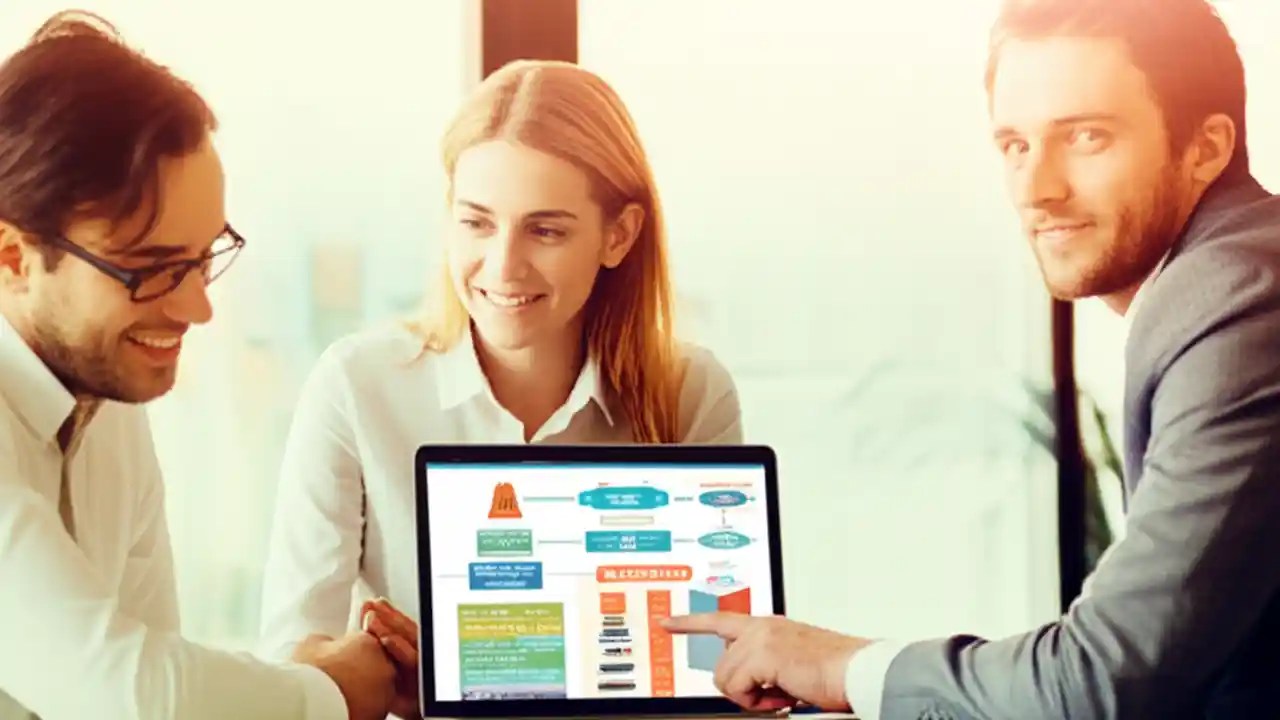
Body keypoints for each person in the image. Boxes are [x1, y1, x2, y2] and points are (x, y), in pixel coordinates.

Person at [662, 0, 1280, 717]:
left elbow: (1099, 680)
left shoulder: (1236, 298)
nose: (1036, 189)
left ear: (1205, 147)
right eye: (1015, 145)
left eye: (1086, 136)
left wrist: (839, 669)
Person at [257, 59, 743, 716]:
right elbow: (292, 673)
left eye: (545, 230)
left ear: (618, 235)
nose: (503, 266)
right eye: (477, 222)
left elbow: (715, 673)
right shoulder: (357, 385)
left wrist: (457, 685)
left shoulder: (692, 393)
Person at [0, 12, 397, 720]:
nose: (196, 309)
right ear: (13, 258)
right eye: (150, 270)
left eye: (202, 259)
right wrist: (329, 691)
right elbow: (126, 689)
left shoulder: (107, 399)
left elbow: (152, 670)